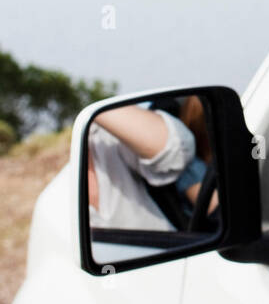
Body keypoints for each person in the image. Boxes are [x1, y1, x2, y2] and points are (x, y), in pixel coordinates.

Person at [87, 95, 217, 232]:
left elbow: (176, 151)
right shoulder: (194, 171)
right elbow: (214, 207)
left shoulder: (106, 140)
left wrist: (92, 108)